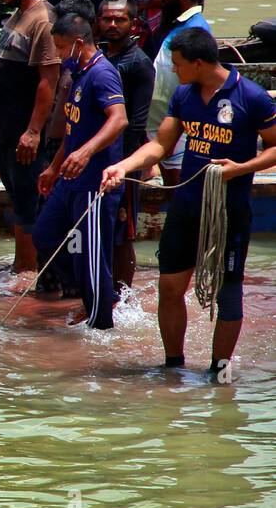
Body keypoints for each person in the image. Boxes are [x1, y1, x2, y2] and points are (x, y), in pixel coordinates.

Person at [101, 28, 276, 380]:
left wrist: (241, 168)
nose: (174, 71)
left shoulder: (252, 97)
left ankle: (219, 371)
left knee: (228, 295)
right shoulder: (184, 95)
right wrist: (123, 166)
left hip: (228, 212)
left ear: (198, 63)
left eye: (178, 64)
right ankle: (173, 365)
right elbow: (161, 145)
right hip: (187, 205)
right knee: (169, 287)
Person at [33, 13, 127, 329]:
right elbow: (73, 131)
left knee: (93, 255)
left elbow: (119, 119)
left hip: (96, 183)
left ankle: (100, 323)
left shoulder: (102, 74)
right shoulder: (77, 72)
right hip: (69, 180)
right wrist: (54, 168)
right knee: (45, 234)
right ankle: (92, 294)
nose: (58, 55)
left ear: (77, 43)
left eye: (60, 48)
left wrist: (87, 152)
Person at [0, 0, 60, 273]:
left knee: (28, 202)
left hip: (27, 134)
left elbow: (47, 82)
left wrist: (34, 131)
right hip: (7, 130)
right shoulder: (14, 18)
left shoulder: (43, 19)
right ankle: (21, 264)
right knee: (16, 196)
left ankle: (28, 269)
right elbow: (3, 76)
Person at [97, 0, 155, 289]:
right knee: (103, 227)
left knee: (123, 229)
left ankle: (122, 294)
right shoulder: (101, 58)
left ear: (132, 24)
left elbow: (137, 122)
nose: (112, 25)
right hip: (100, 154)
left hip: (123, 159)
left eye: (119, 20)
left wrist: (125, 164)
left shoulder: (139, 64)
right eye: (106, 19)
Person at [146, 0, 212, 186]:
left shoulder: (193, 32)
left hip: (177, 133)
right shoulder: (175, 25)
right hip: (160, 130)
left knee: (178, 193)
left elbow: (199, 84)